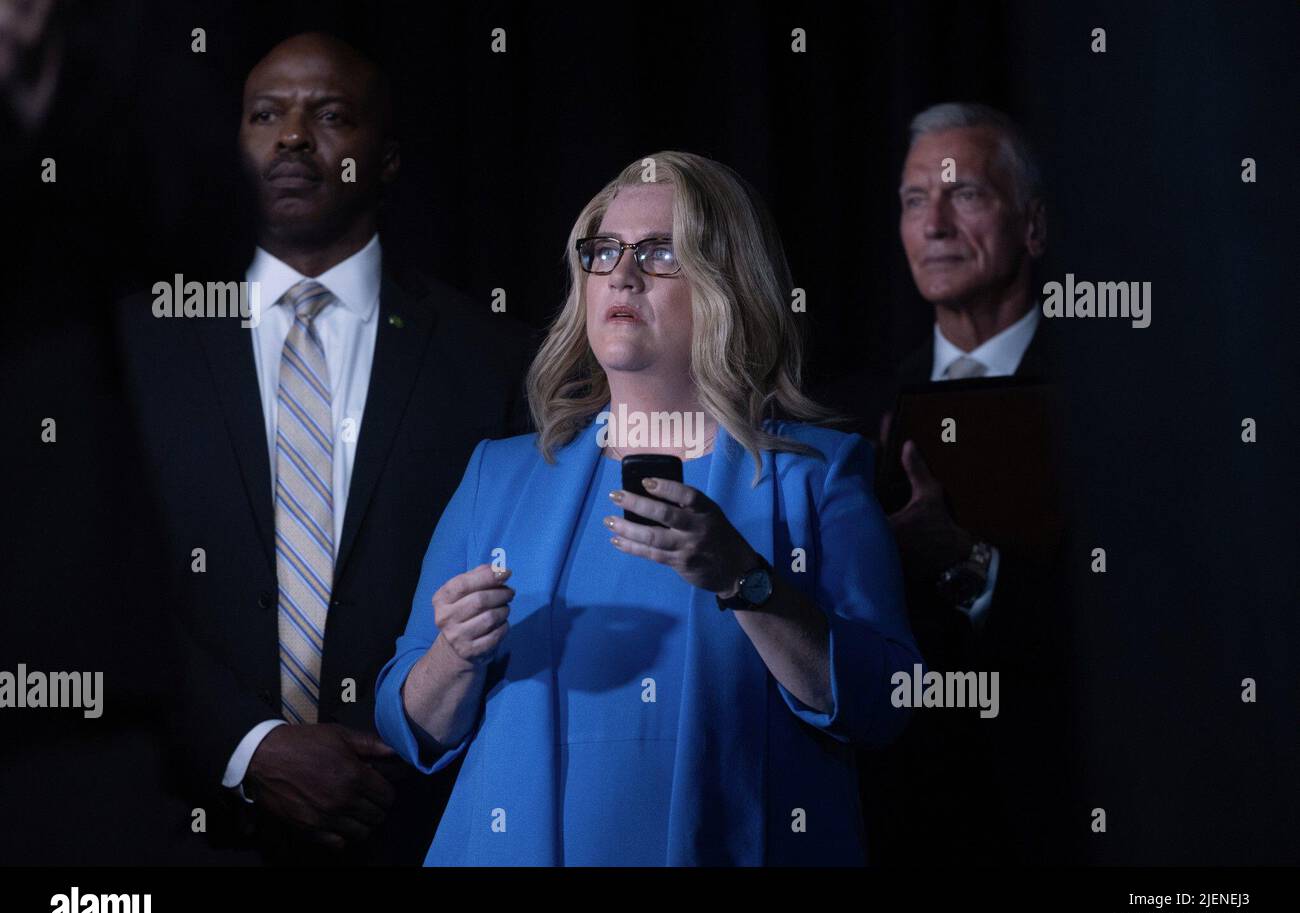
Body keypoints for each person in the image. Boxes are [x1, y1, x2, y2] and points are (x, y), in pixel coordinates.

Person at [374, 150, 922, 866]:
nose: (622, 274)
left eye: (661, 252)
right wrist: (455, 654)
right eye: (604, 251)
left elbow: (888, 701)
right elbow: (407, 723)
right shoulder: (499, 475)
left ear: (731, 281)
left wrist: (746, 580)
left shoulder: (814, 475)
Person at [114, 32, 535, 864]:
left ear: (386, 160)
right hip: (184, 821)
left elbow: (519, 586)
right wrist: (250, 745)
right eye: (265, 114)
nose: (294, 136)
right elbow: (101, 582)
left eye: (330, 114)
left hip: (419, 819)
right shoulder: (135, 345)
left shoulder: (498, 359)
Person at [828, 102, 1079, 864]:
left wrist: (967, 560)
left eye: (964, 193)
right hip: (905, 815)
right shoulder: (847, 415)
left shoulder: (1108, 406)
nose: (933, 224)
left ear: (1032, 227)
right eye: (913, 201)